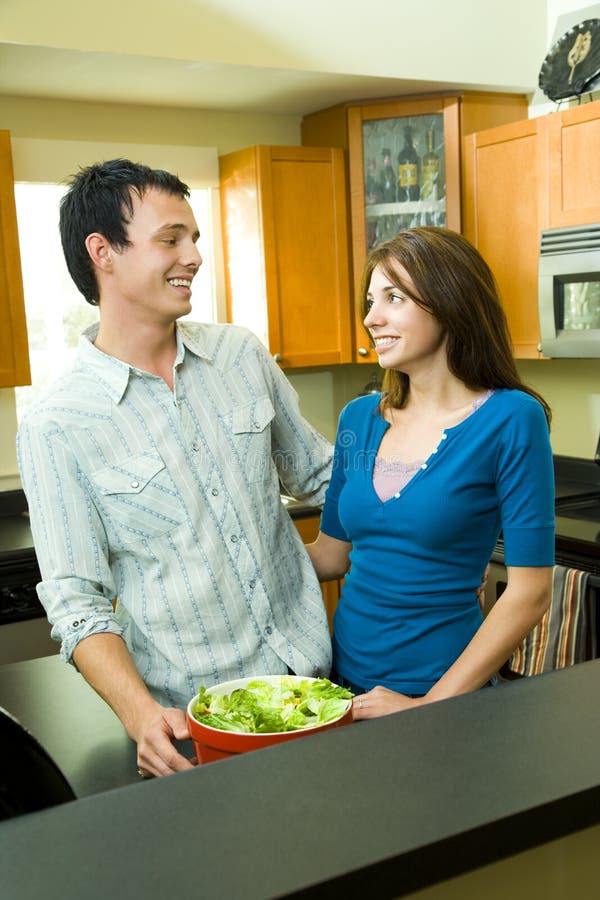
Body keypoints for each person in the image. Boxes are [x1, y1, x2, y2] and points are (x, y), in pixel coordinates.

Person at [16, 159, 333, 777]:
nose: (193, 255)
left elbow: (324, 478)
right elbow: (78, 604)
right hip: (195, 730)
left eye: (193, 238)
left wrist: (432, 546)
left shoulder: (240, 355)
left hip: (316, 692)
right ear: (103, 252)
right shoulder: (57, 424)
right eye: (171, 239)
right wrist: (141, 717)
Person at [305, 227, 555, 719]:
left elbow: (530, 592)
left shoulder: (510, 419)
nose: (370, 318)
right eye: (371, 301)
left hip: (442, 696)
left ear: (449, 302)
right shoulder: (358, 419)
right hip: (342, 692)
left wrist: (427, 708)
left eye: (393, 298)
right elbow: (330, 557)